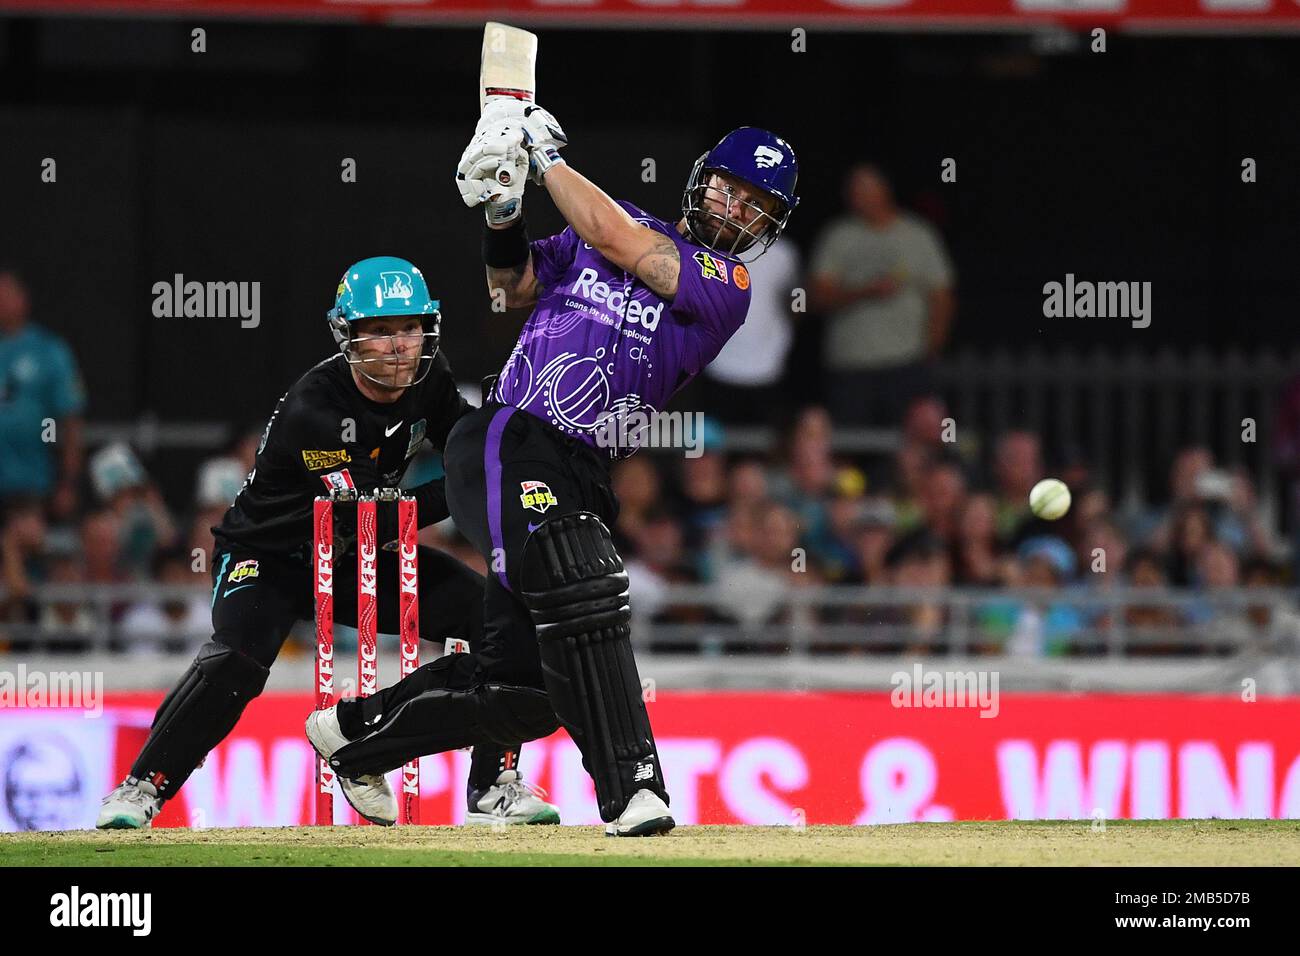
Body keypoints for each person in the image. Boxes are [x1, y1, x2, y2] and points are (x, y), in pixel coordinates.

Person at [308, 116, 799, 836]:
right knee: (585, 582)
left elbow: (621, 244)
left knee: (522, 691)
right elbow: (511, 287)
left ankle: (355, 734)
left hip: (584, 469)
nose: (736, 211)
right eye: (729, 190)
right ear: (702, 181)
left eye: (755, 206)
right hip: (515, 432)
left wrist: (541, 159)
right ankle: (633, 790)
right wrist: (503, 217)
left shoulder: (729, 283)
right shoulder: (616, 215)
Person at [97, 256, 556, 829]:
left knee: (499, 620)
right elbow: (383, 518)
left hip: (348, 556)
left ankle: (479, 779)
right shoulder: (316, 409)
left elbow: (467, 453)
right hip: (269, 557)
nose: (398, 346)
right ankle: (143, 786)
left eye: (409, 328)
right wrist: (469, 481)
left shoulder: (431, 378)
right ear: (348, 334)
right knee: (238, 660)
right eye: (381, 331)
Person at [808, 166, 955, 427]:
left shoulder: (918, 235)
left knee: (908, 442)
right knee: (850, 443)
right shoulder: (838, 236)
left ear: (884, 191)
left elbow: (942, 296)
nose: (856, 197)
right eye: (852, 191)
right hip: (850, 364)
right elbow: (817, 297)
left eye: (864, 190)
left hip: (906, 363)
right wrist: (865, 291)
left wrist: (931, 350)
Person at [0, 268, 86, 518]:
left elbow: (70, 421)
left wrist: (68, 483)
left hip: (30, 482)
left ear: (22, 298)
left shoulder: (48, 352)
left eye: (5, 293)